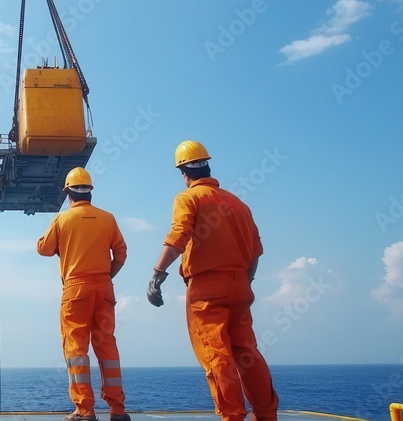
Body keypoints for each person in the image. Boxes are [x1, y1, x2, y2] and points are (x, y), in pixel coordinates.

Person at [147, 140, 279, 421]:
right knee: (247, 351)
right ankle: (266, 414)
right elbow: (256, 250)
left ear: (183, 173)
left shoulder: (188, 198)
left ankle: (232, 415)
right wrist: (247, 279)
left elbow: (179, 236)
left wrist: (157, 274)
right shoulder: (238, 203)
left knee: (215, 352)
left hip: (207, 287)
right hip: (241, 285)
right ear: (207, 166)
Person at [37, 167, 129, 421]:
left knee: (76, 349)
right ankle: (118, 410)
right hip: (104, 287)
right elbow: (121, 254)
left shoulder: (62, 220)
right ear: (90, 193)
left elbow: (43, 249)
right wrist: (105, 277)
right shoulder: (108, 218)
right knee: (107, 346)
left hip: (76, 288)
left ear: (68, 194)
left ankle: (85, 410)